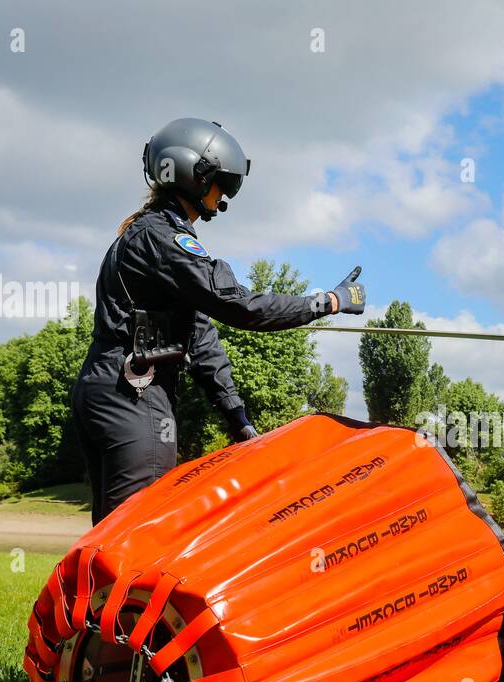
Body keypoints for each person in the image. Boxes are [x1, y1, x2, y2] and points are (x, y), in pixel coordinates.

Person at [72, 118, 365, 524]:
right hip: (136, 395)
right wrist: (327, 302)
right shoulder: (164, 239)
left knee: (109, 532)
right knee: (134, 535)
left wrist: (237, 418)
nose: (223, 194)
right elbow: (240, 305)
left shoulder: (147, 235)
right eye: (220, 183)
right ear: (195, 176)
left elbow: (200, 336)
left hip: (109, 391)